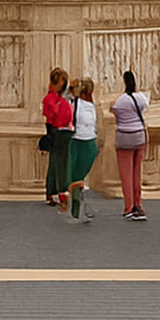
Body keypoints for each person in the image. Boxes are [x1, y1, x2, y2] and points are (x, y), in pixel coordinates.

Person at [110, 70, 150, 220]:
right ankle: (138, 203)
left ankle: (129, 206)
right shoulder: (140, 98)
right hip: (139, 136)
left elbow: (112, 110)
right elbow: (145, 107)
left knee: (126, 175)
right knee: (137, 172)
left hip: (124, 136)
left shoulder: (121, 101)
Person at [65, 78, 100, 222]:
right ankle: (79, 209)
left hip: (77, 141)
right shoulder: (92, 107)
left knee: (74, 177)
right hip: (90, 142)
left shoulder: (73, 104)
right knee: (78, 177)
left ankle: (77, 210)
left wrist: (70, 90)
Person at [42, 68, 74, 208]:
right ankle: (56, 191)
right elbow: (50, 118)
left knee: (58, 163)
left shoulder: (56, 98)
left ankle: (54, 191)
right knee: (58, 164)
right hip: (57, 131)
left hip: (63, 131)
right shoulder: (51, 99)